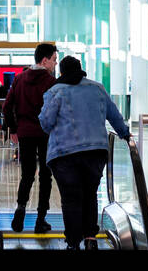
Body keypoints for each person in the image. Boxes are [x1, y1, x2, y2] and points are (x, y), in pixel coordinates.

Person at [38, 55, 130, 250]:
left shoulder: (55, 91)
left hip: (64, 154)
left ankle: (73, 242)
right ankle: (90, 238)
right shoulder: (97, 88)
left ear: (61, 72)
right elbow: (114, 115)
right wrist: (125, 134)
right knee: (90, 194)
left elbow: (46, 123)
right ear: (81, 69)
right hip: (95, 151)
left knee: (70, 198)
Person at [2, 42, 57, 234]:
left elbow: (7, 107)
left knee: (27, 174)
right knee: (45, 176)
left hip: (25, 133)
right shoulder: (51, 82)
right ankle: (41, 219)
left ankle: (21, 208)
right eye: (54, 60)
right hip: (45, 134)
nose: (55, 64)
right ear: (45, 60)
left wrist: (14, 128)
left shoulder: (19, 78)